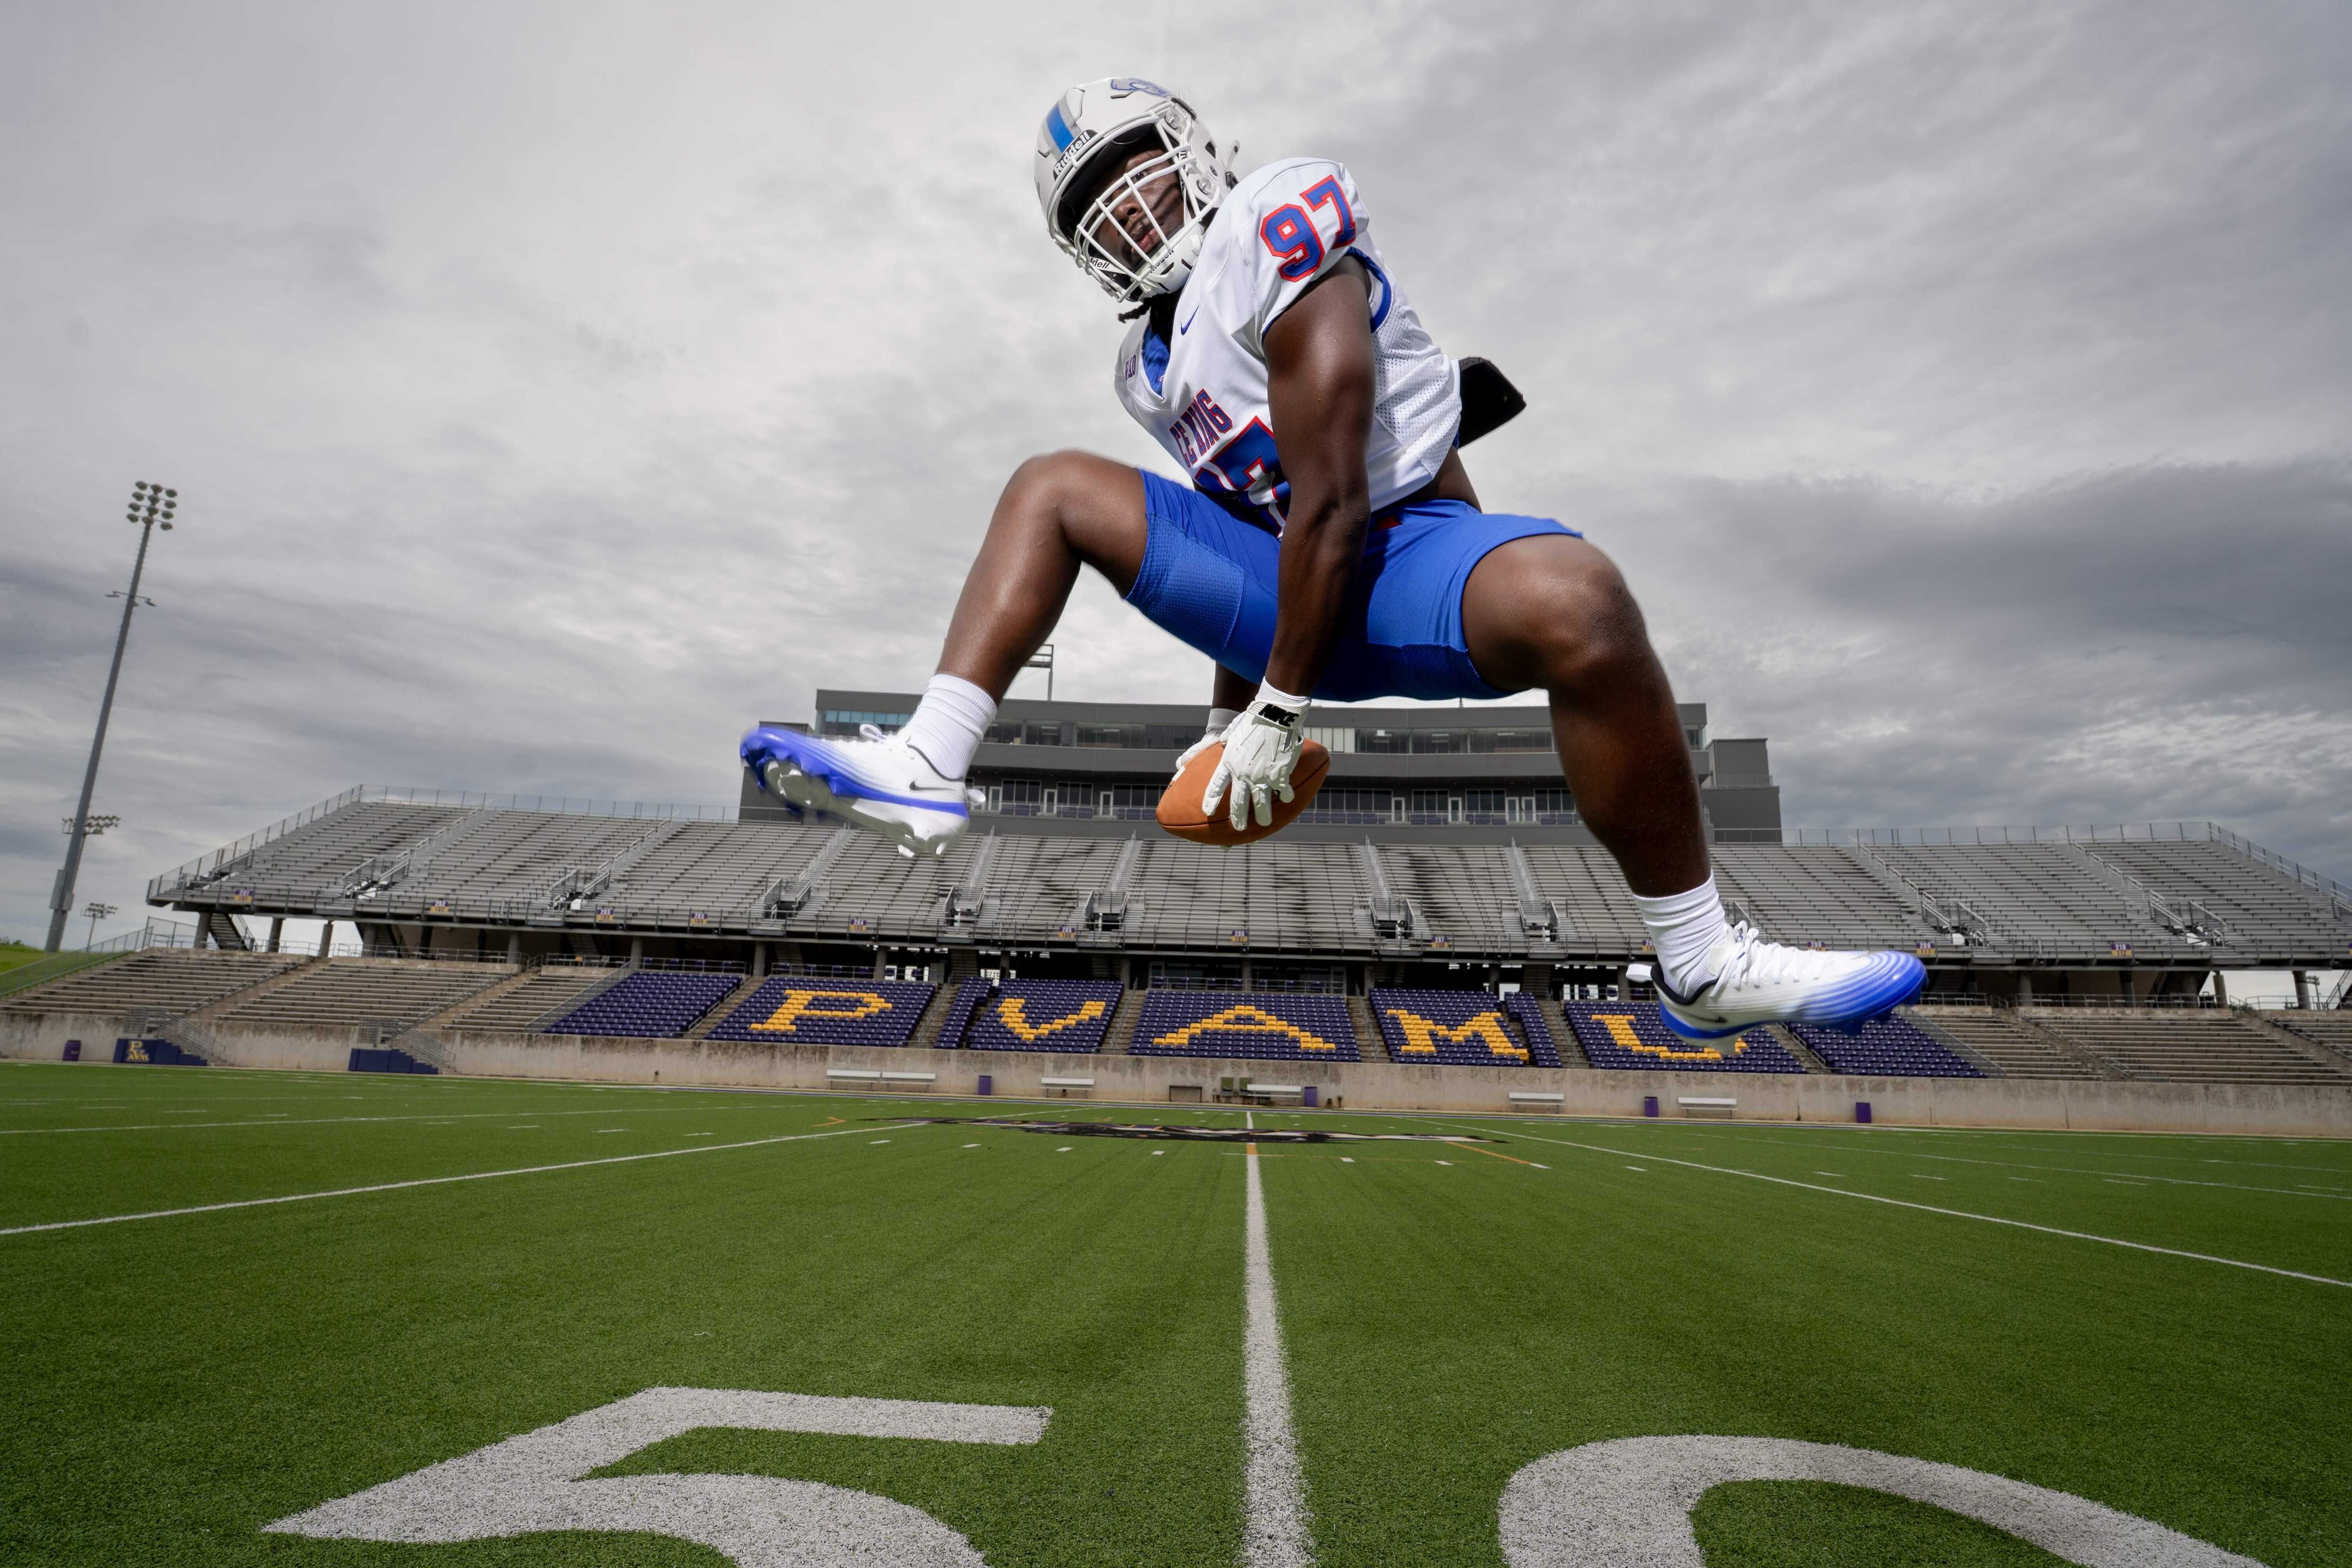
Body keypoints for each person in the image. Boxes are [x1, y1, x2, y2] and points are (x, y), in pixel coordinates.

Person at [740, 78, 1923, 1038]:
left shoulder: (1280, 216)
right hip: (1299, 581)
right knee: (1051, 487)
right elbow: (1252, 525)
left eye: (1136, 164)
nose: (1124, 205)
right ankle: (927, 761)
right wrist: (1225, 721)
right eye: (1093, 197)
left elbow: (1342, 489)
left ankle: (1700, 962)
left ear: (1195, 148)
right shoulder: (1141, 372)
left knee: (1582, 599)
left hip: (1387, 547)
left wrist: (1279, 708)